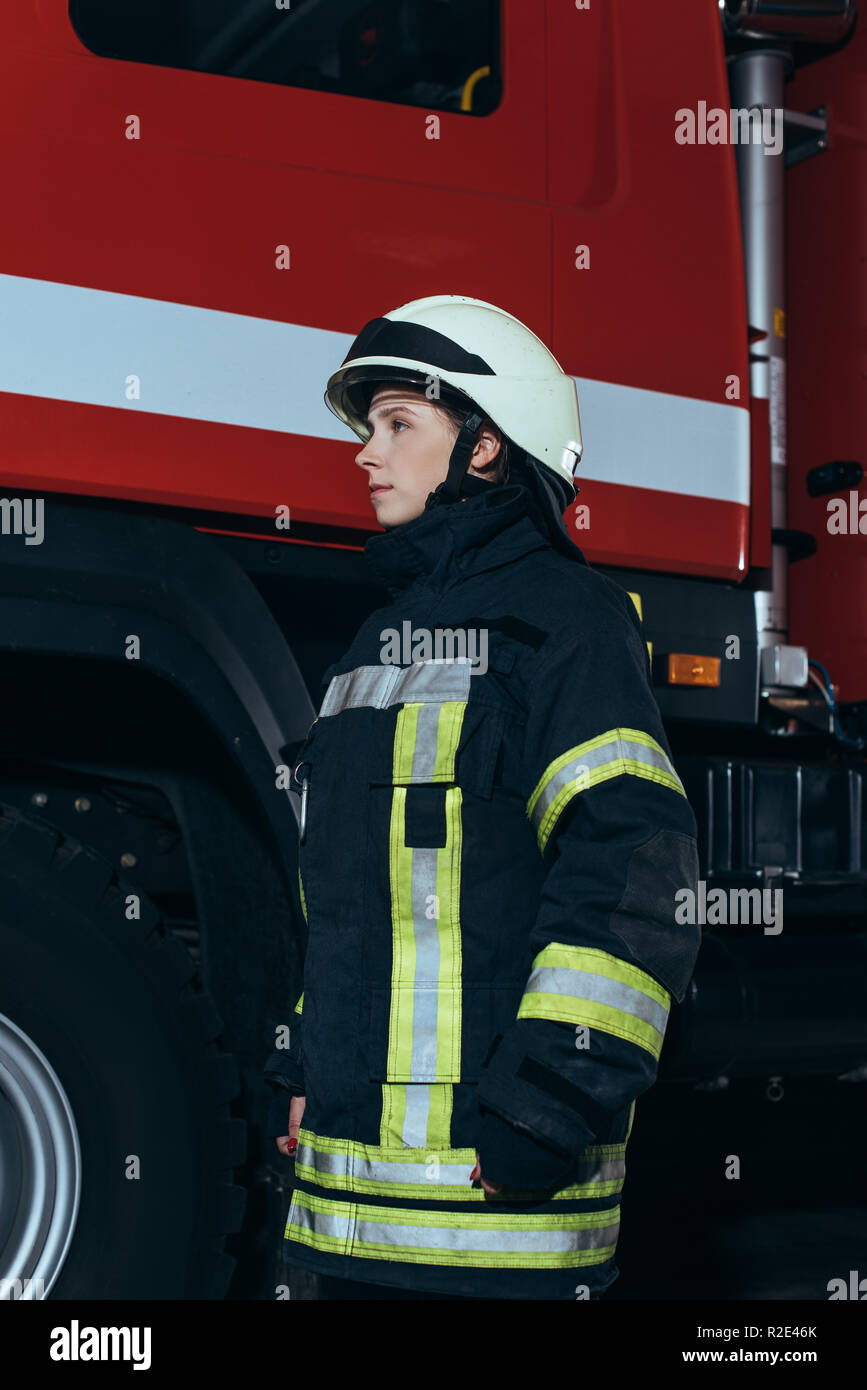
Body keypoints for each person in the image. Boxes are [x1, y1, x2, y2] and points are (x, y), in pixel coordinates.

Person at [264, 294, 702, 1301]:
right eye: (368, 426)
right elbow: (344, 900)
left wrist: (546, 1106)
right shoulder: (375, 644)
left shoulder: (569, 623)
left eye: (398, 423)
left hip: (500, 1219)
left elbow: (633, 876)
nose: (366, 452)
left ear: (488, 448)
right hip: (355, 1222)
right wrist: (303, 1073)